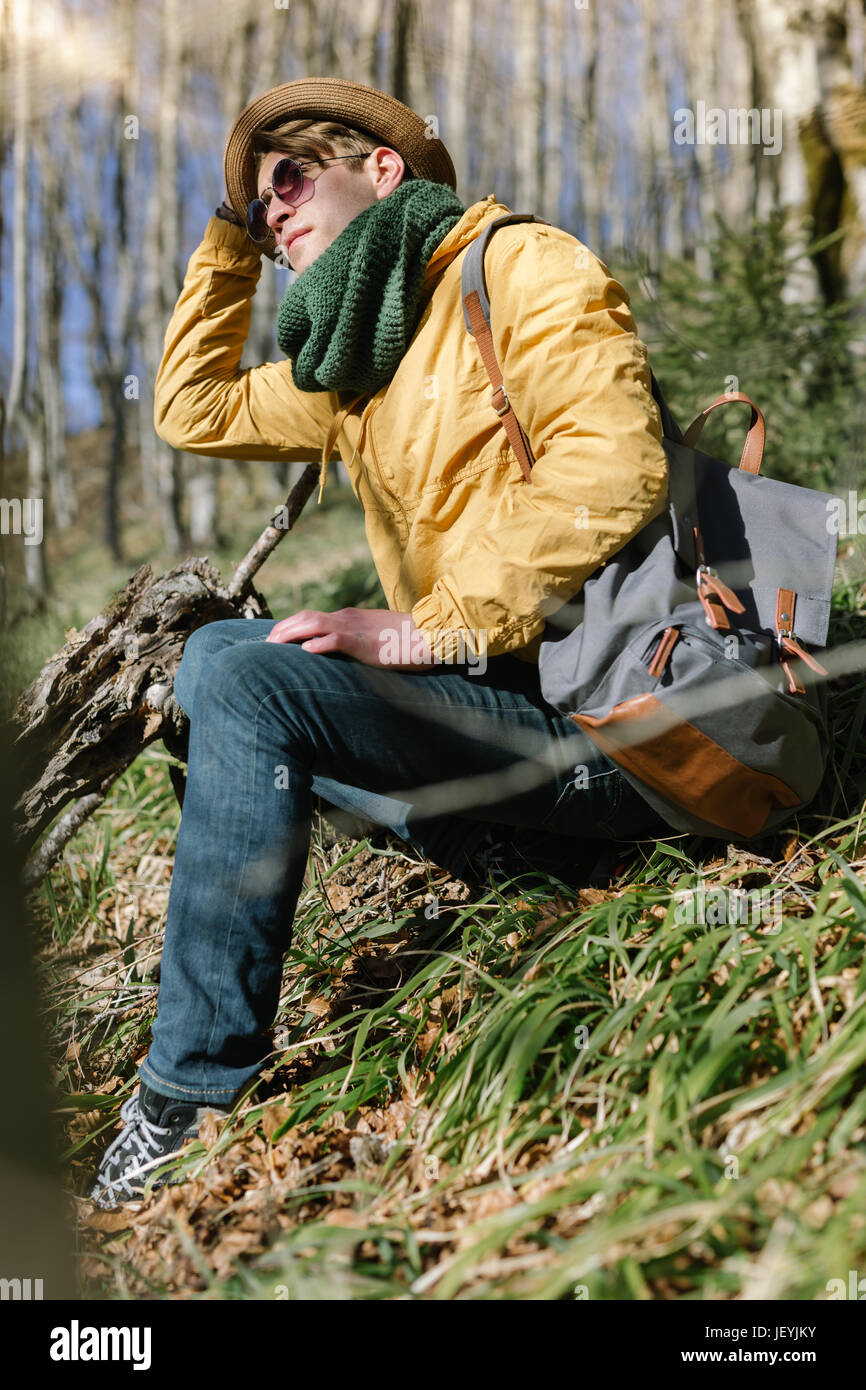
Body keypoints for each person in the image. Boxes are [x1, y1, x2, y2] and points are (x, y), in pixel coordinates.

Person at [88, 78, 671, 1209]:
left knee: (244, 678)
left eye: (292, 181)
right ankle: (501, 849)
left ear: (384, 169)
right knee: (207, 667)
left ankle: (188, 1101)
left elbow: (611, 470)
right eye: (261, 209)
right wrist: (230, 238)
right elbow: (190, 408)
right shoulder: (358, 368)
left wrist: (431, 625)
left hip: (608, 722)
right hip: (494, 719)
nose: (277, 213)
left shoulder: (523, 269)